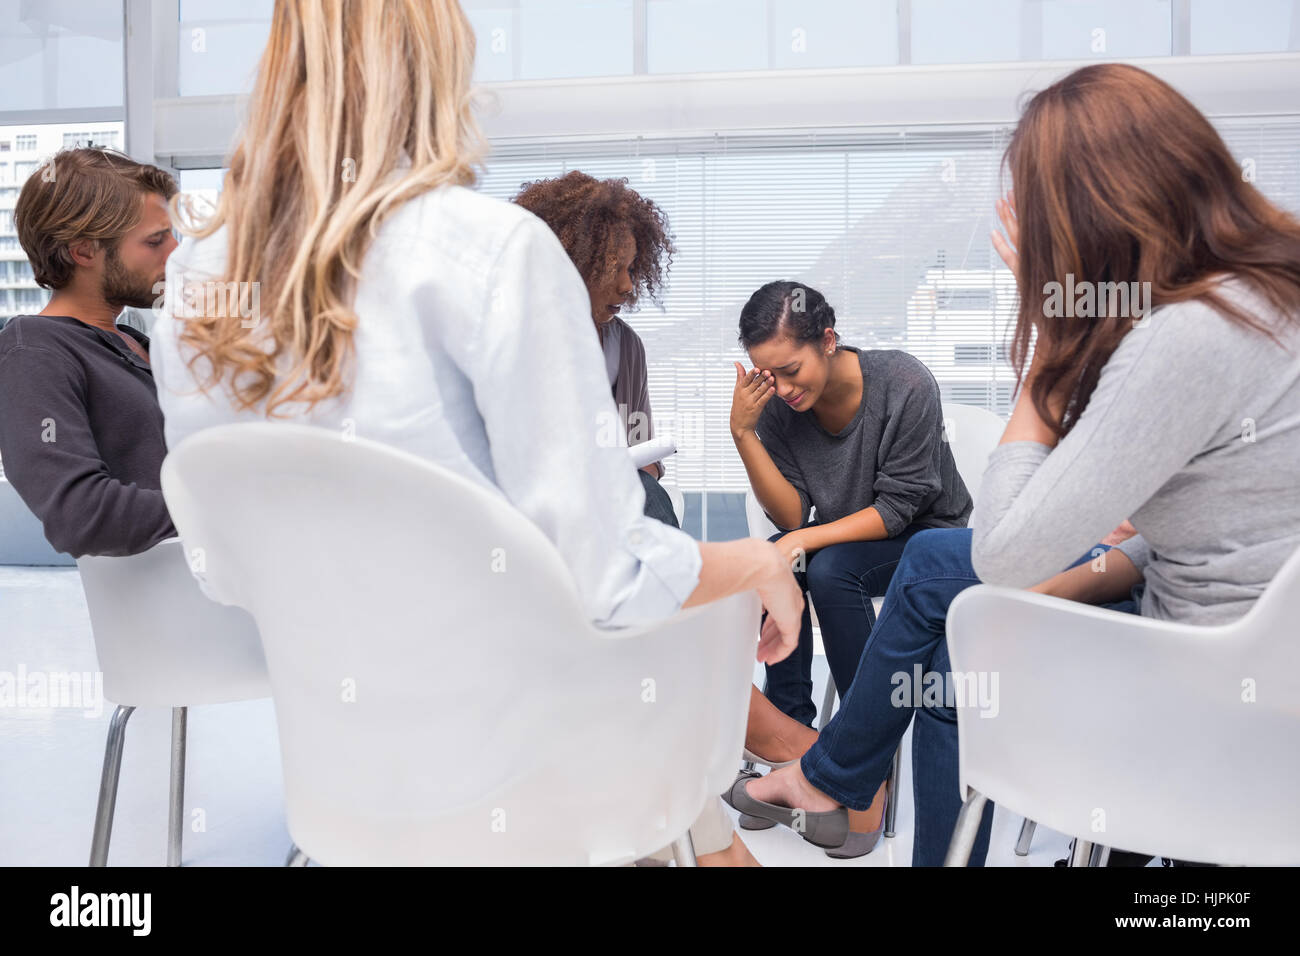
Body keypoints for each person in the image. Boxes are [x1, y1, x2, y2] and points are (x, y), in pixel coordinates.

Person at [147, 0, 800, 868]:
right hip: (523, 767)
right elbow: (604, 576)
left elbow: (223, 572)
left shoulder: (195, 283)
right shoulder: (490, 253)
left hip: (344, 777)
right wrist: (752, 564)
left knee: (689, 817)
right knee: (673, 779)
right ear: (433, 73)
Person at [727, 62, 1300, 865]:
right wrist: (1085, 572)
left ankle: (837, 778)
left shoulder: (1189, 336)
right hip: (1251, 660)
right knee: (947, 630)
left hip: (1204, 670)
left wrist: (1047, 335)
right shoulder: (1264, 295)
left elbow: (1001, 551)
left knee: (936, 580)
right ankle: (842, 781)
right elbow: (1206, 536)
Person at [727, 279, 972, 854]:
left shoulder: (903, 382)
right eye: (769, 376)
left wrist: (801, 541)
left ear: (829, 340)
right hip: (843, 539)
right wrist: (742, 433)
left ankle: (864, 768)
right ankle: (795, 745)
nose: (783, 388)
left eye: (792, 370)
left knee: (831, 567)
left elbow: (895, 511)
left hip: (924, 539)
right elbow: (791, 512)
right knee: (776, 562)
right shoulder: (780, 412)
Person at [0, 148, 179, 557]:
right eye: (155, 241)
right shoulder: (33, 351)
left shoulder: (140, 344)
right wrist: (227, 509)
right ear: (83, 252)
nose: (176, 252)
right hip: (172, 607)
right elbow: (80, 516)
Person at [512, 171, 678, 527]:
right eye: (612, 269)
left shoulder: (626, 347)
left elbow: (643, 451)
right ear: (572, 265)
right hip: (533, 497)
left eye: (631, 268)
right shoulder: (516, 336)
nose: (627, 285)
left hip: (610, 493)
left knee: (645, 491)